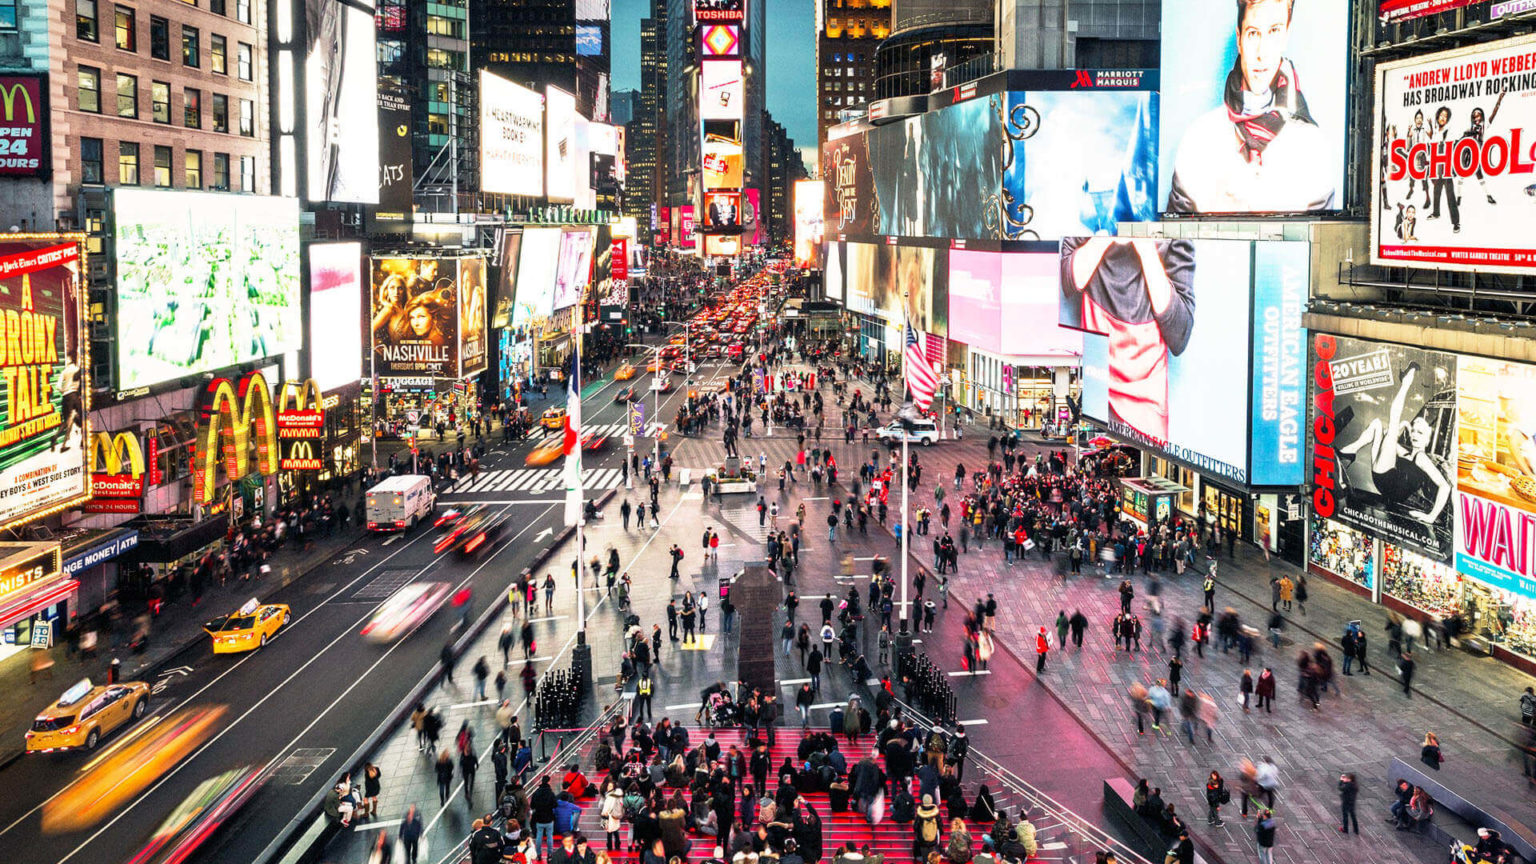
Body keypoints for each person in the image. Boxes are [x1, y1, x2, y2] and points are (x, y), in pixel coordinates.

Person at [1165, 0, 1335, 213]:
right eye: (1253, 33)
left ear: (1286, 35)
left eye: (1273, 31)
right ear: (1239, 39)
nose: (1261, 53)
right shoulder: (1198, 139)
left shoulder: (1312, 146)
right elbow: (1175, 239)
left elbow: (1323, 240)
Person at [1060, 237, 1196, 441]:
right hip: (1099, 386)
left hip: (1144, 403)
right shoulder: (1094, 215)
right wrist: (1106, 233)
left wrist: (1146, 251)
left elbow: (1180, 334)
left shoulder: (1175, 222)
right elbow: (1069, 278)